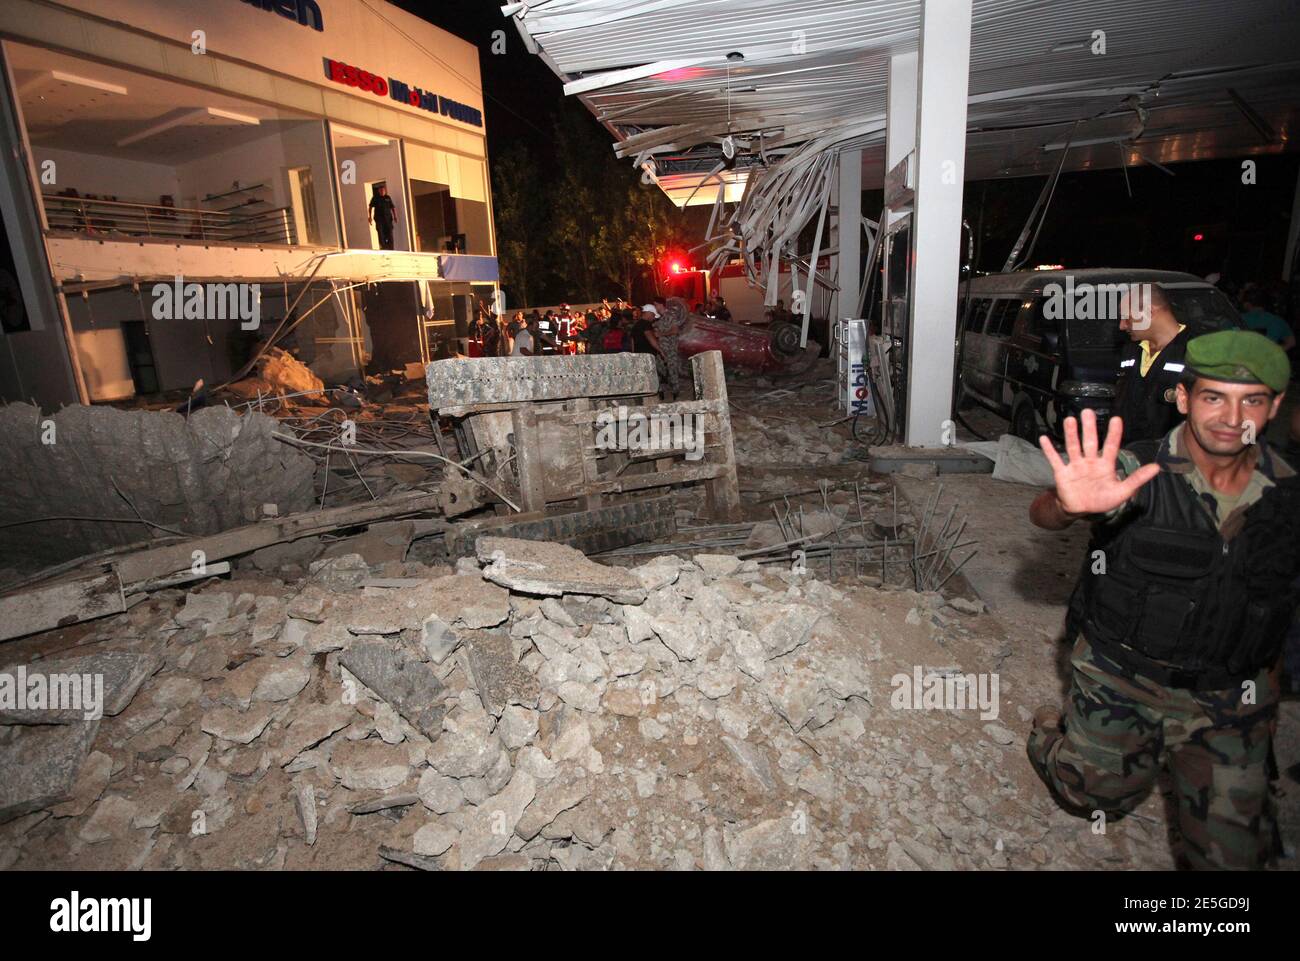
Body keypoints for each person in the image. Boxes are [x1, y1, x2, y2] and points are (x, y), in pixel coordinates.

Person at [1027, 329, 1298, 870]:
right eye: (1213, 396)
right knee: (1091, 795)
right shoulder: (1136, 471)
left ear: (1276, 407)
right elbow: (1046, 514)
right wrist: (1067, 504)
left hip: (1230, 698)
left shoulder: (1287, 493)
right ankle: (1049, 736)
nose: (1230, 416)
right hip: (1122, 677)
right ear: (1182, 398)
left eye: (1252, 400)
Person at [1110, 283, 1193, 442]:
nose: (1121, 326)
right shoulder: (1131, 351)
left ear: (1149, 312)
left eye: (1127, 318)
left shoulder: (1194, 352)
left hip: (1171, 459)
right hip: (1130, 455)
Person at [645, 299, 688, 399]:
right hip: (660, 349)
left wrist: (661, 334)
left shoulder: (670, 316)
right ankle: (661, 391)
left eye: (656, 305)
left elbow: (675, 330)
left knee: (672, 370)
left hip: (670, 348)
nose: (655, 307)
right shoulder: (658, 318)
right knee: (659, 370)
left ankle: (675, 392)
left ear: (661, 305)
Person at [1239, 284, 1296, 352]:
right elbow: (1292, 342)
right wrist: (1273, 353)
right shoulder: (1277, 321)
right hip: (1266, 361)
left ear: (1246, 304)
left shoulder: (1235, 318)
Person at [368, 184, 397, 251]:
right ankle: (384, 248)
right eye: (380, 190)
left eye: (383, 190)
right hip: (379, 220)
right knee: (381, 234)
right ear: (378, 191)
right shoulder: (375, 198)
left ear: (385, 191)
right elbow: (370, 207)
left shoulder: (388, 198)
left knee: (390, 234)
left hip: (388, 220)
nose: (382, 191)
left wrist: (395, 216)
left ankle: (391, 248)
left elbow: (392, 207)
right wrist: (370, 217)